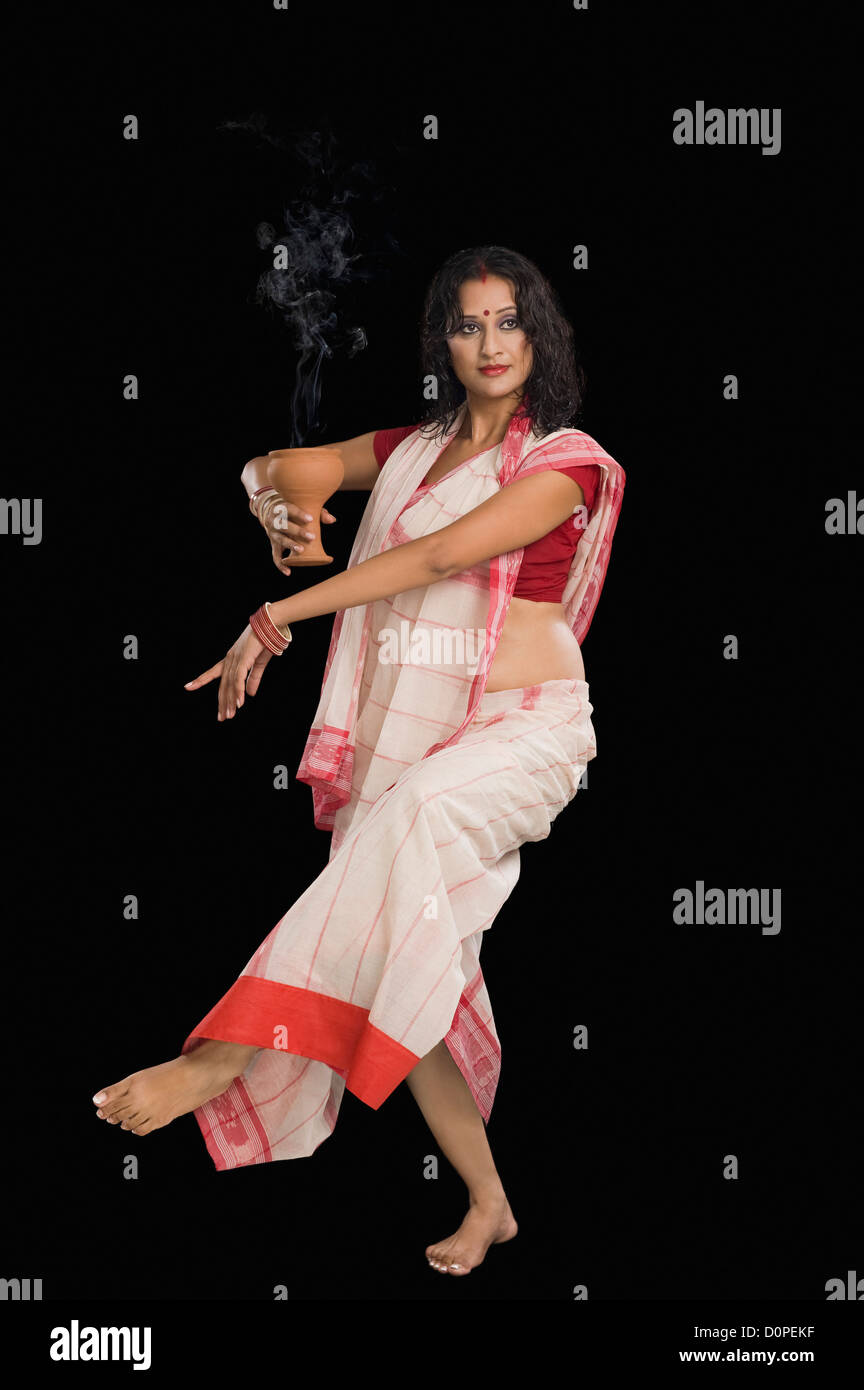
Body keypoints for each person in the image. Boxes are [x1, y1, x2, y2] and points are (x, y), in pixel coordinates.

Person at [91, 245, 626, 1277]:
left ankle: (225, 1055)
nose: (490, 342)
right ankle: (491, 1202)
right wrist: (274, 502)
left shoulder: (564, 460)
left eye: (509, 321)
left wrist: (274, 614)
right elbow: (288, 465)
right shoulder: (418, 449)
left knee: (411, 823)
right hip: (426, 736)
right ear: (444, 345)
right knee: (405, 949)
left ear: (537, 334)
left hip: (527, 732)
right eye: (467, 325)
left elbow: (436, 557)